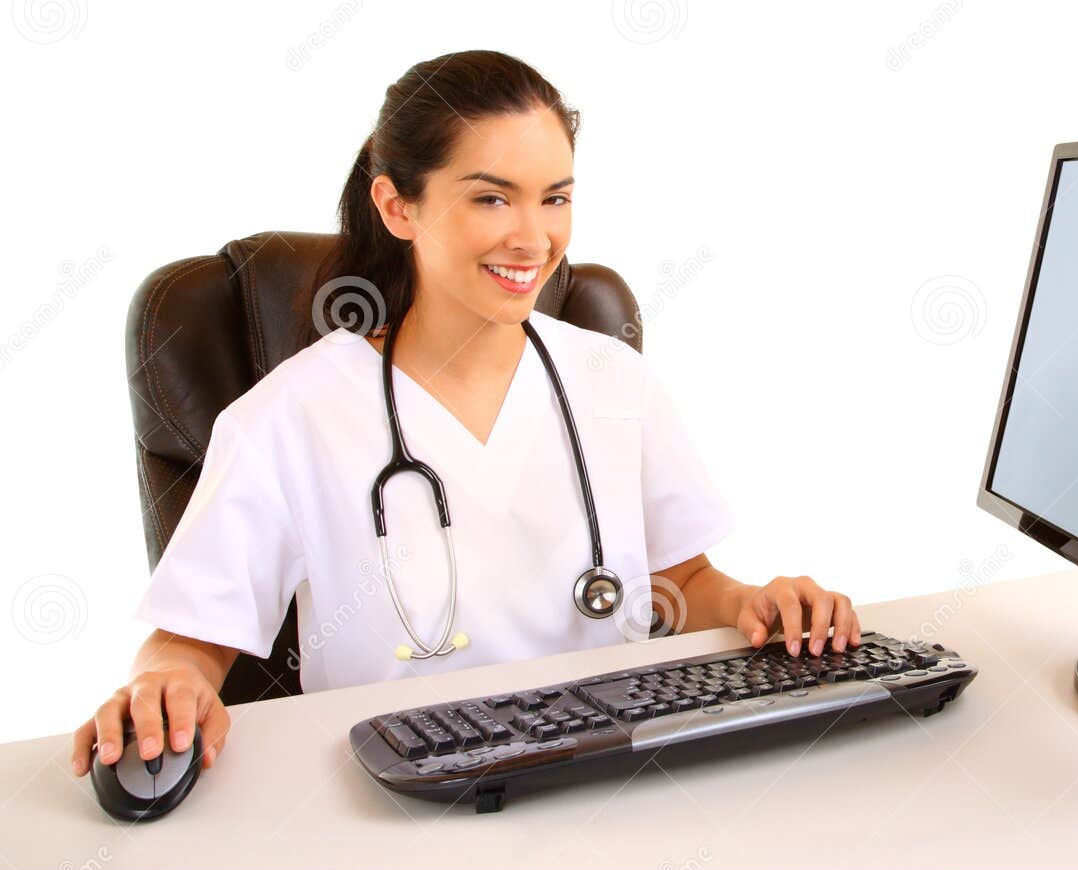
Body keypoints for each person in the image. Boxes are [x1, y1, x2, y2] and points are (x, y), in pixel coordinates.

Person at [69, 50, 861, 780]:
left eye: (555, 198)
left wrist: (757, 602)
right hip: (397, 794)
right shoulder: (288, 416)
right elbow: (193, 636)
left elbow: (682, 579)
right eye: (491, 197)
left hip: (610, 774)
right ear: (398, 206)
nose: (533, 237)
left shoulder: (612, 378)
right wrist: (163, 682)